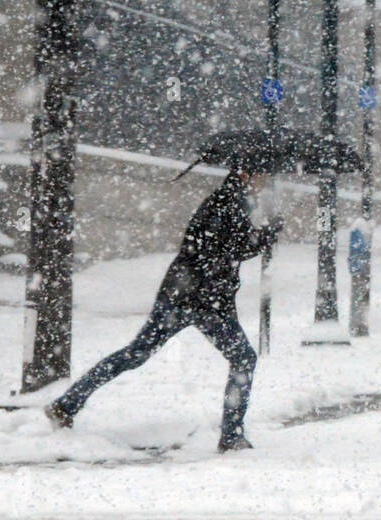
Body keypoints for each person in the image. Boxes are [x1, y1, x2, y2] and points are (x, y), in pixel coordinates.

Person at [45, 158, 283, 452]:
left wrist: (260, 237)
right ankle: (231, 435)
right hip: (198, 297)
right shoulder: (224, 202)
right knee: (241, 358)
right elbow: (219, 250)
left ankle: (66, 405)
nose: (266, 180)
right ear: (245, 172)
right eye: (263, 173)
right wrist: (262, 238)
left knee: (136, 354)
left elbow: (228, 248)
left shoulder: (236, 201)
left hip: (193, 294)